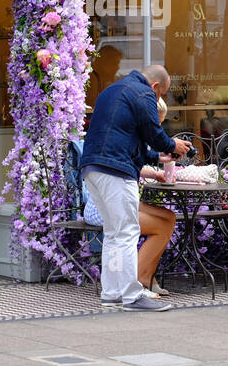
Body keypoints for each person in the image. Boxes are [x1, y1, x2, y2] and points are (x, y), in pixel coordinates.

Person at [81, 64, 191, 311]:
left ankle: (112, 293)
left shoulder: (112, 91)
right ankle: (132, 295)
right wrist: (172, 145)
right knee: (128, 231)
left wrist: (156, 158)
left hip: (93, 167)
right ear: (155, 86)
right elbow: (154, 133)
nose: (158, 99)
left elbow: (124, 138)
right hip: (116, 171)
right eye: (161, 95)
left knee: (114, 232)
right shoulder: (143, 93)